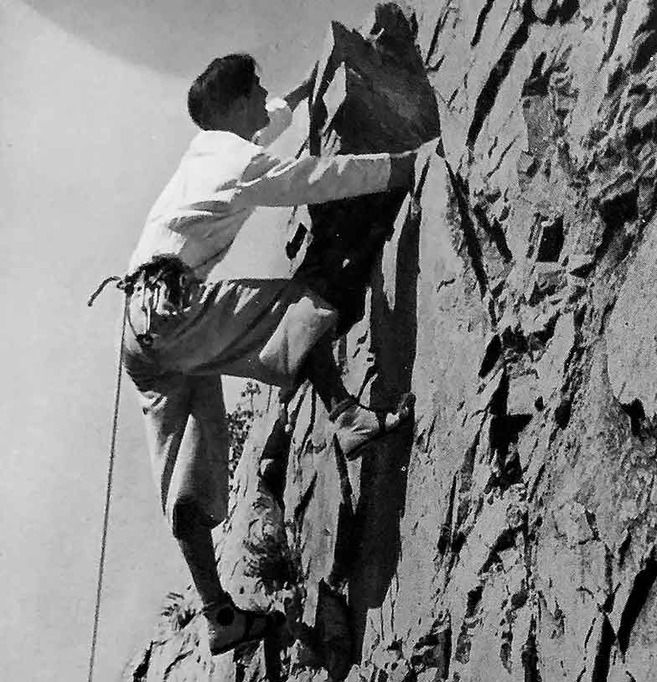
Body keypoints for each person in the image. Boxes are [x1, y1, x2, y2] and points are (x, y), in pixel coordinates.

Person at [121, 53, 430, 656]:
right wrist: (398, 167)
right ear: (235, 103)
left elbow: (271, 121)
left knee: (186, 481)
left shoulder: (207, 154)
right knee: (295, 305)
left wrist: (305, 86)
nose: (265, 97)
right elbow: (305, 178)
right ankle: (344, 416)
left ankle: (218, 615)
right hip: (172, 311)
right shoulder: (231, 160)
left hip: (142, 333)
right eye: (256, 89)